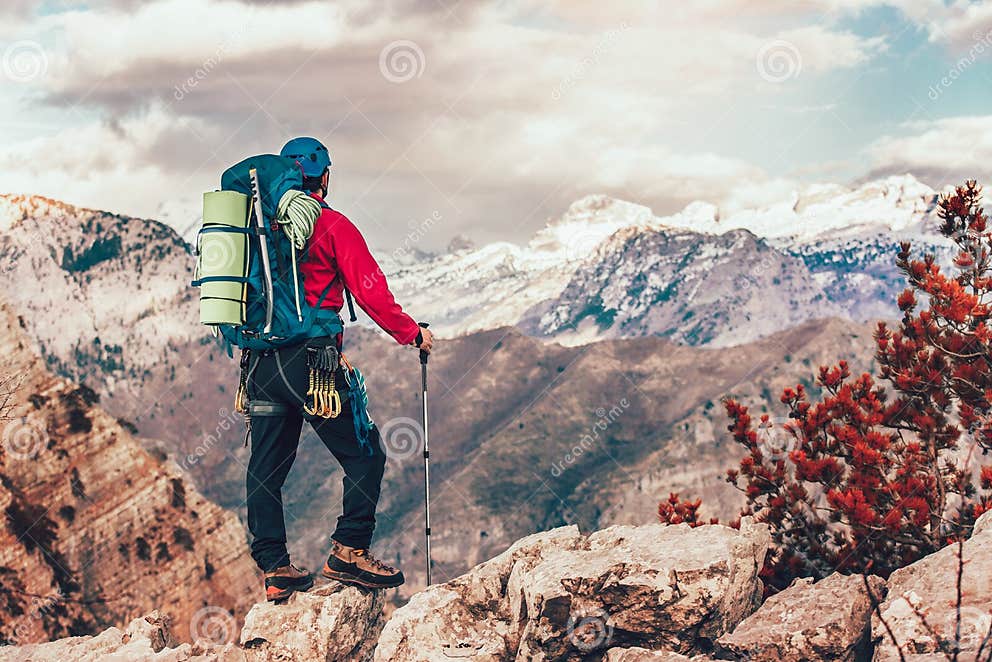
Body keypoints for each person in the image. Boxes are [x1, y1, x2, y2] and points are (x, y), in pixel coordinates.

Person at [245, 136, 435, 601]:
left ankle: (275, 569)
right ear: (323, 177)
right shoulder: (332, 226)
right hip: (313, 366)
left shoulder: (256, 231)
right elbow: (370, 291)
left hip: (259, 365)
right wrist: (412, 334)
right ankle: (349, 550)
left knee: (266, 469)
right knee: (365, 454)